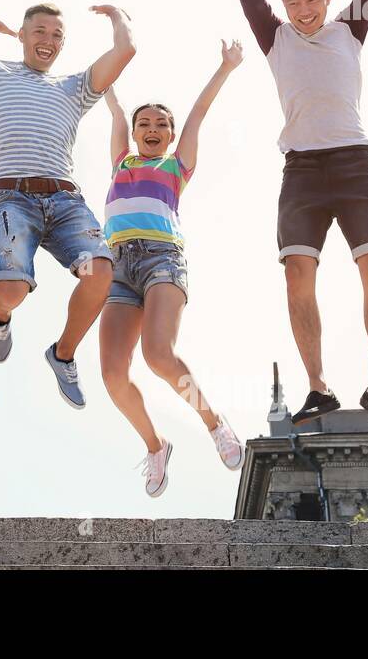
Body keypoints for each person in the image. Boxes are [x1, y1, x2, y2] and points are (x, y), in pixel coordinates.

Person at [233, 0, 368, 430]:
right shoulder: (275, 37)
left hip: (355, 163)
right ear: (283, 5)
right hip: (302, 169)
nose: (303, 8)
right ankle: (319, 388)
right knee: (296, 275)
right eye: (293, 1)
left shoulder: (349, 29)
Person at [0, 2, 135, 408]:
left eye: (56, 35)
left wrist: (117, 16)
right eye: (39, 32)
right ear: (23, 36)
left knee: (101, 271)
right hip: (12, 197)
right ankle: (2, 318)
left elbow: (125, 50)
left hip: (64, 199)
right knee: (9, 292)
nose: (47, 41)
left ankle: (62, 355)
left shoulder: (74, 88)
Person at [98, 42, 245, 497]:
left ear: (170, 133)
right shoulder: (122, 161)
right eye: (146, 123)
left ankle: (213, 422)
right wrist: (109, 65)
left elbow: (199, 111)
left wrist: (224, 66)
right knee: (112, 374)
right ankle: (156, 446)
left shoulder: (177, 165)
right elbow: (115, 106)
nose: (152, 127)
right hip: (118, 264)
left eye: (162, 123)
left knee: (158, 354)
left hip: (162, 257)